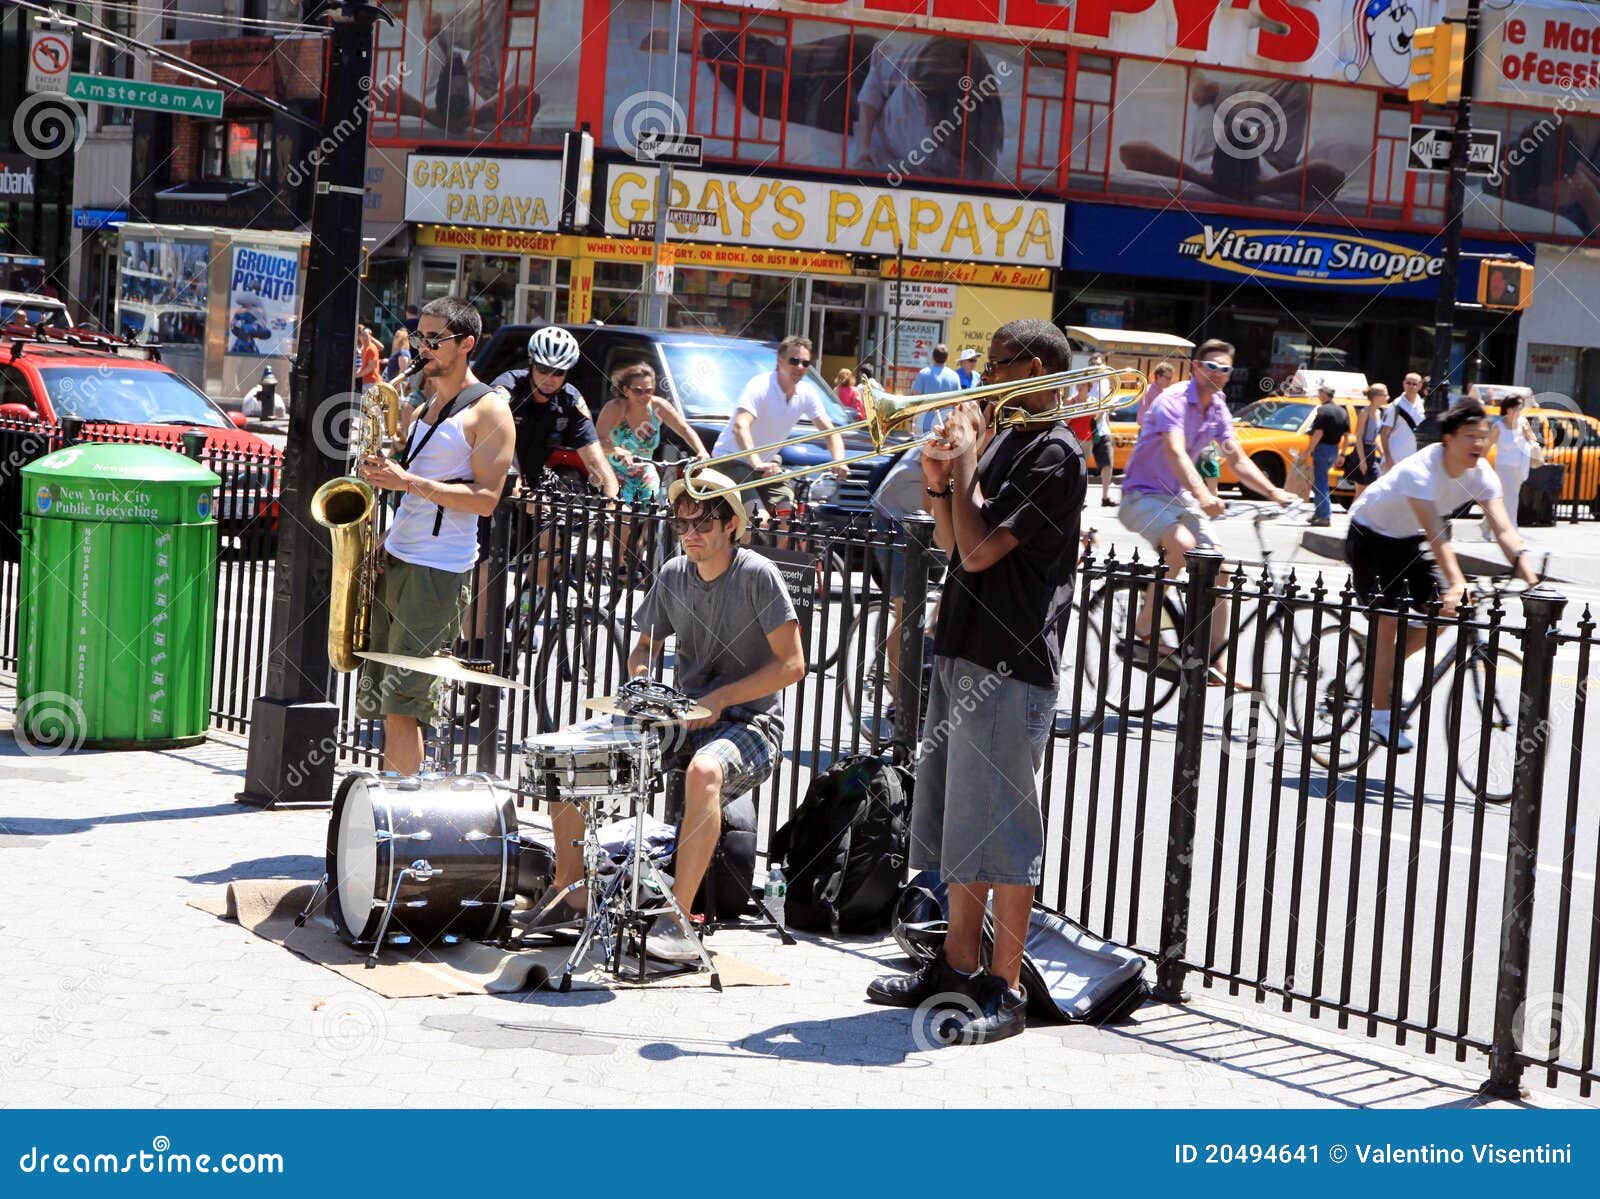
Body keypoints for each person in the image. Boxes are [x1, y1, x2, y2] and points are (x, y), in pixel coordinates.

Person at [865, 319, 1086, 1045]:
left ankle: (1006, 985)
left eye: (995, 365)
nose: (984, 378)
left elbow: (987, 548)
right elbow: (951, 538)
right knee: (962, 829)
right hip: (964, 650)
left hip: (1010, 664)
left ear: (1031, 367)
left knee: (1003, 830)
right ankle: (956, 966)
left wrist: (962, 470)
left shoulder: (1055, 452)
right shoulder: (1002, 442)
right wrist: (938, 475)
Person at [542, 470, 806, 962]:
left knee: (704, 771)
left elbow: (792, 666)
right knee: (570, 753)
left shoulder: (757, 575)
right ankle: (569, 890)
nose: (689, 533)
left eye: (702, 522)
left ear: (731, 525)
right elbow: (643, 646)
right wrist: (645, 686)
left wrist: (723, 699)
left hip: (750, 723)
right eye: (682, 522)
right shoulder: (673, 573)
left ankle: (677, 920)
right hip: (682, 718)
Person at [353, 297, 516, 776]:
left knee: (405, 703)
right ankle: (388, 807)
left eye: (435, 340)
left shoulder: (489, 412)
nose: (423, 348)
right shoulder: (424, 405)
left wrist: (406, 481)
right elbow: (416, 484)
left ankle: (401, 822)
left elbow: (486, 499)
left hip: (439, 570)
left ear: (466, 345)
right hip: (399, 558)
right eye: (420, 336)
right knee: (386, 700)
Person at [1345, 401, 1538, 751]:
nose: (1478, 444)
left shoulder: (1480, 473)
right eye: (1470, 437)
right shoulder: (1422, 470)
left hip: (1407, 542)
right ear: (1448, 439)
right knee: (1388, 620)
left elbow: (1504, 529)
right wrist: (1458, 582)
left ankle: (1380, 671)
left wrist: (1530, 577)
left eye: (1482, 436)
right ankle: (1381, 717)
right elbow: (1436, 533)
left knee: (1447, 613)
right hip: (1371, 537)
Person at [1118, 340, 1295, 686]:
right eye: (1211, 366)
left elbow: (1237, 457)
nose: (1217, 374)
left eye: (1225, 369)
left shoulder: (1217, 406)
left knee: (1221, 570)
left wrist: (1275, 493)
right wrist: (1203, 495)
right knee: (1182, 547)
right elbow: (1176, 452)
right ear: (1196, 366)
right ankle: (1144, 627)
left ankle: (1215, 660)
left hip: (1178, 498)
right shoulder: (1172, 401)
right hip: (1142, 496)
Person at [712, 335, 850, 527]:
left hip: (766, 464)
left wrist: (839, 461)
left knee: (788, 518)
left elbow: (829, 431)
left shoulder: (807, 392)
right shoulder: (761, 385)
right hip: (732, 460)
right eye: (794, 361)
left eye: (805, 363)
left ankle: (776, 557)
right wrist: (756, 462)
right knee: (759, 520)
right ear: (780, 360)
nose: (800, 367)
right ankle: (742, 557)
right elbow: (740, 426)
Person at [595, 361, 710, 580]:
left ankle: (637, 548)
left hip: (644, 467)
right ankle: (618, 562)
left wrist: (701, 451)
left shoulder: (657, 407)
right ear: (626, 390)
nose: (644, 395)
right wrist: (618, 449)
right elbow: (597, 440)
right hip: (614, 468)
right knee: (624, 514)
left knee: (653, 507)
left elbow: (684, 429)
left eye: (649, 390)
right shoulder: (615, 408)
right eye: (638, 390)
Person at [1483, 394, 1540, 534]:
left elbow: (1533, 439)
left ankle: (1486, 524)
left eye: (1521, 407)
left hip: (1520, 466)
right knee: (1511, 498)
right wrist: (1480, 464)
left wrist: (1528, 433)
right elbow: (1487, 446)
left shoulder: (1523, 422)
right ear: (1508, 409)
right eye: (1518, 407)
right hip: (1504, 467)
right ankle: (1511, 530)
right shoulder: (1498, 426)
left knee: (1504, 498)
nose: (1520, 410)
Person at [1297, 384, 1349, 527]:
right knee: (1320, 482)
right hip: (1334, 450)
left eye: (1319, 393)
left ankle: (1324, 516)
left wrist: (1307, 452)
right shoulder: (1342, 411)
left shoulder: (1323, 411)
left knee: (1321, 484)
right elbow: (1347, 435)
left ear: (1325, 394)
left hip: (1323, 449)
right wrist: (1342, 454)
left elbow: (1318, 433)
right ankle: (1318, 513)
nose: (1318, 395)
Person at [1346, 383, 1389, 497]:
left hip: (1371, 452)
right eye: (1385, 395)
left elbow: (1374, 438)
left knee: (1372, 489)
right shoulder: (1365, 413)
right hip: (1362, 452)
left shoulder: (1379, 412)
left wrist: (1383, 454)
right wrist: (1362, 461)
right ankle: (1353, 514)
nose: (1387, 397)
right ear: (1376, 397)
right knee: (1360, 492)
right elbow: (1359, 438)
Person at [1380, 373, 1425, 471]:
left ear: (1420, 386)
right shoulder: (1395, 405)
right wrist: (1388, 458)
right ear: (1404, 383)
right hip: (1394, 459)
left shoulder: (1423, 405)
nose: (1411, 386)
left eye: (1414, 384)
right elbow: (1384, 434)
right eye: (1408, 383)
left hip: (1415, 460)